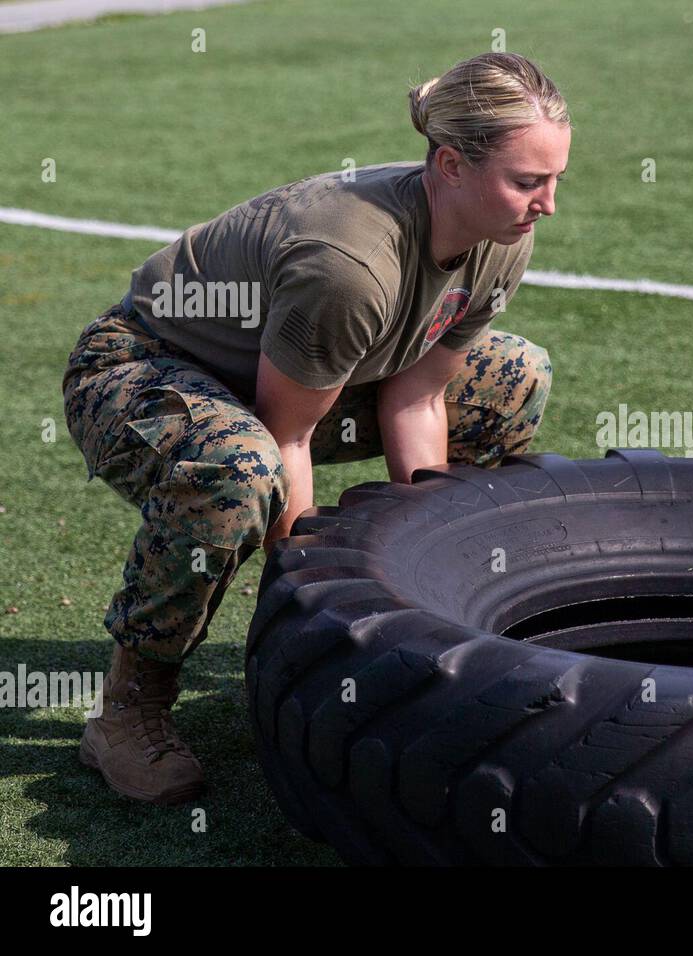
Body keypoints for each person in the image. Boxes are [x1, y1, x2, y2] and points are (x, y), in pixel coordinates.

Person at [60, 51, 571, 804]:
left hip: (294, 381)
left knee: (511, 375)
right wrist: (319, 625)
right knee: (240, 470)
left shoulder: (502, 233)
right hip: (141, 373)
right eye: (528, 182)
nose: (547, 204)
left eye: (555, 179)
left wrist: (432, 573)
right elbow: (286, 436)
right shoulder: (350, 265)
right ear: (452, 164)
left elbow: (416, 398)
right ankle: (128, 712)